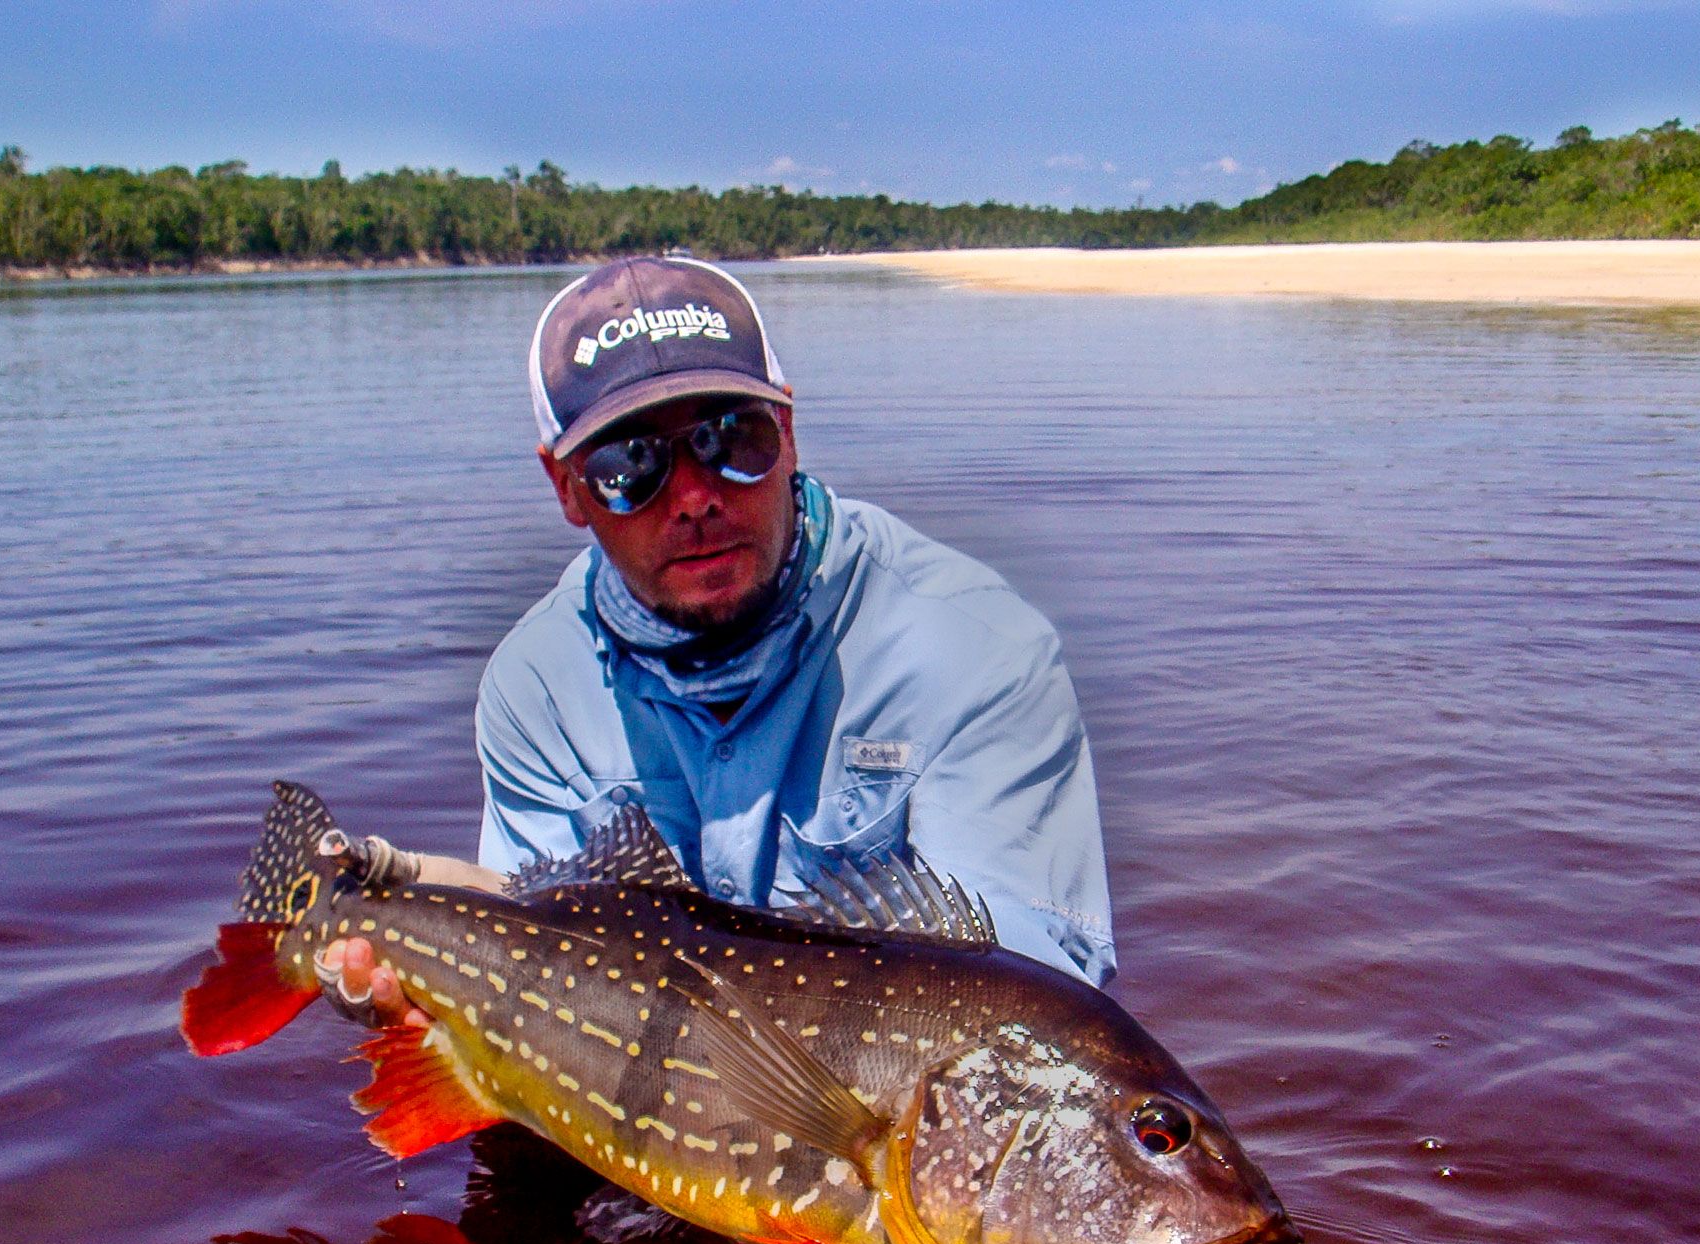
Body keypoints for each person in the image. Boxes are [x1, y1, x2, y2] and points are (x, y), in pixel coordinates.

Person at [320, 256, 1113, 1022]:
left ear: (790, 431)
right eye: (631, 466)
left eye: (732, 439)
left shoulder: (979, 649)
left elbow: (1027, 999)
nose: (697, 498)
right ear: (566, 487)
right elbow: (540, 945)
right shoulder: (536, 687)